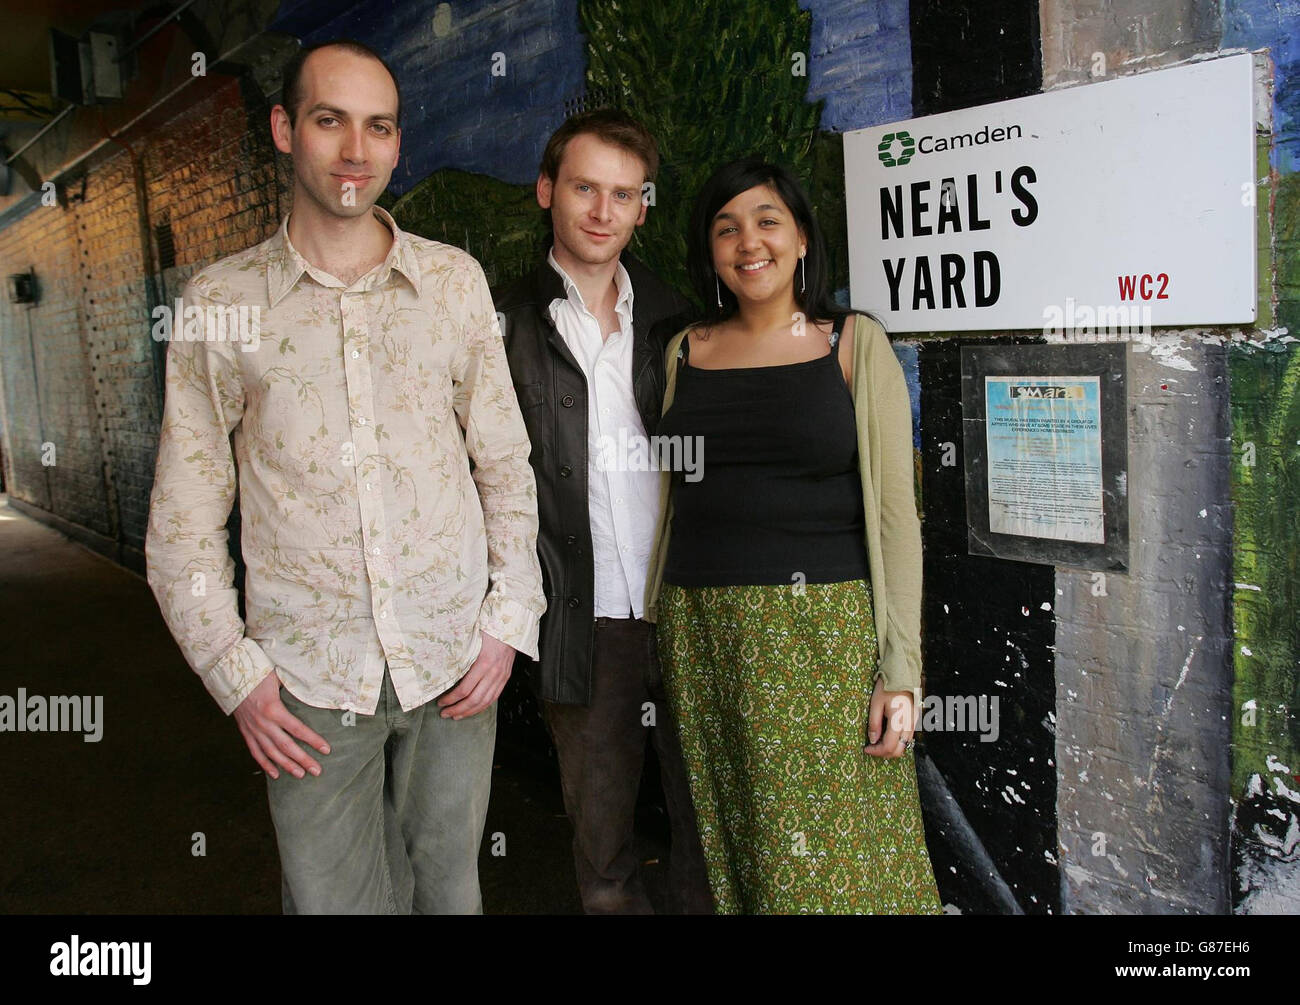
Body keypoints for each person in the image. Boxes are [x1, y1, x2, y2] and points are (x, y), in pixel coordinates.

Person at [145, 39, 544, 914]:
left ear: (398, 144)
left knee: (449, 893)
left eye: (379, 127)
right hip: (306, 686)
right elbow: (182, 522)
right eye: (331, 121)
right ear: (287, 130)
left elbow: (504, 464)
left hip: (453, 665)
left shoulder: (452, 284)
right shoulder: (219, 306)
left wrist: (508, 619)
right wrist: (234, 673)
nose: (356, 149)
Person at [645, 156, 942, 914]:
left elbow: (896, 516)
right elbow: (673, 495)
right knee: (738, 853)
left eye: (768, 220)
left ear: (803, 238)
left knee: (838, 865)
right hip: (702, 631)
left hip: (823, 639)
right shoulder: (686, 350)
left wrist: (901, 672)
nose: (750, 242)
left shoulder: (851, 343)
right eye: (726, 227)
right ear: (710, 251)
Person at [494, 109, 712, 914]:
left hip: (685, 608)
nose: (602, 210)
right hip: (580, 616)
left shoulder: (678, 318)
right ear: (547, 190)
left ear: (642, 207)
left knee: (708, 826)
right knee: (603, 847)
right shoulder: (503, 324)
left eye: (623, 194)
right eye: (585, 187)